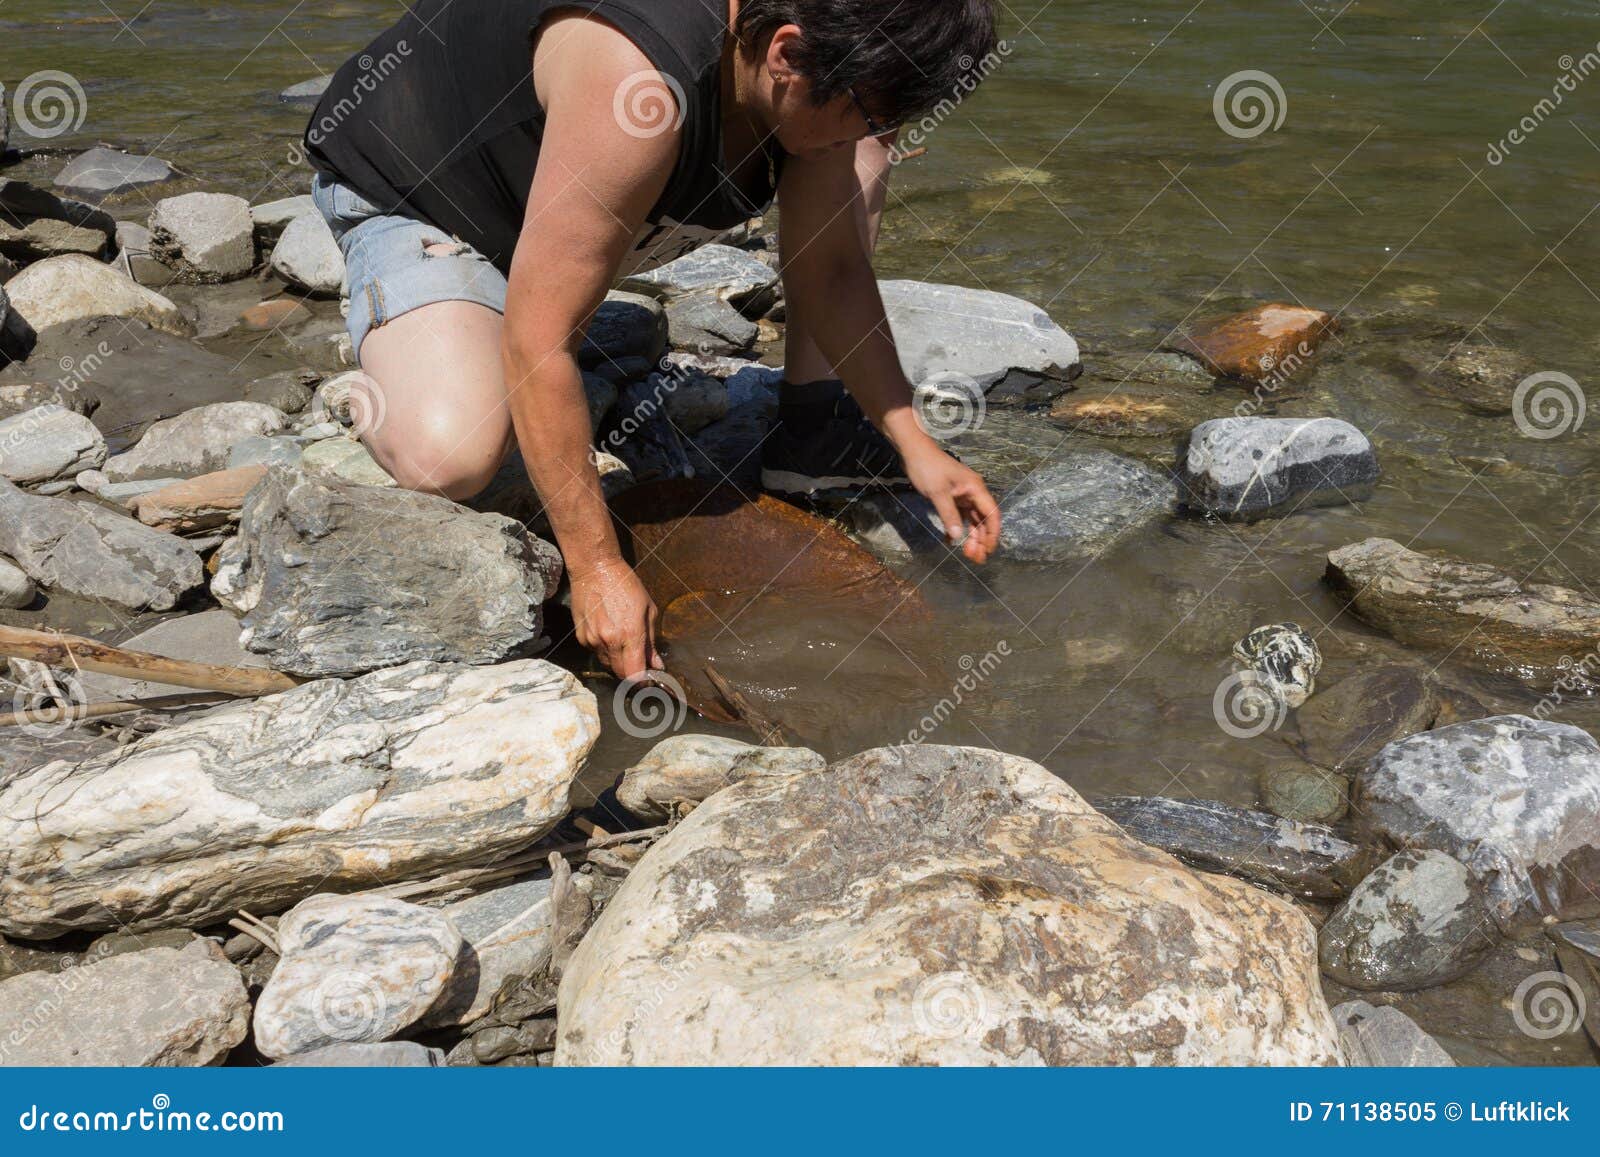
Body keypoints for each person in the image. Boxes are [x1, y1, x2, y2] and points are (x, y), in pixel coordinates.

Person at [304, 0, 1004, 682]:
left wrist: (915, 443)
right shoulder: (637, 84)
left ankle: (813, 429)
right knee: (451, 453)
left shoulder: (806, 66)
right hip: (424, 200)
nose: (879, 127)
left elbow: (833, 269)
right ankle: (387, 351)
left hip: (564, 203)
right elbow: (540, 341)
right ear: (787, 53)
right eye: (873, 109)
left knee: (860, 157)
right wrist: (597, 567)